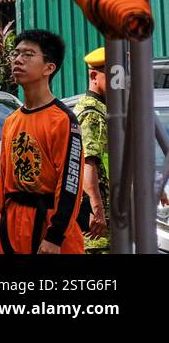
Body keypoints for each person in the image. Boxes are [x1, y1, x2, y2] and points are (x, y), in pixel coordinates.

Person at [0, 30, 84, 255]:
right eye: (16, 53)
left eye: (29, 54)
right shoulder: (11, 121)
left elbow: (70, 184)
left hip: (47, 226)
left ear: (49, 68)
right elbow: (2, 181)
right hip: (11, 229)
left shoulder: (62, 120)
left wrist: (55, 236)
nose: (18, 60)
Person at [74, 46, 109, 254]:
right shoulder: (92, 113)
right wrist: (97, 211)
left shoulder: (104, 109)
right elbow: (88, 162)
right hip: (99, 229)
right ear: (94, 76)